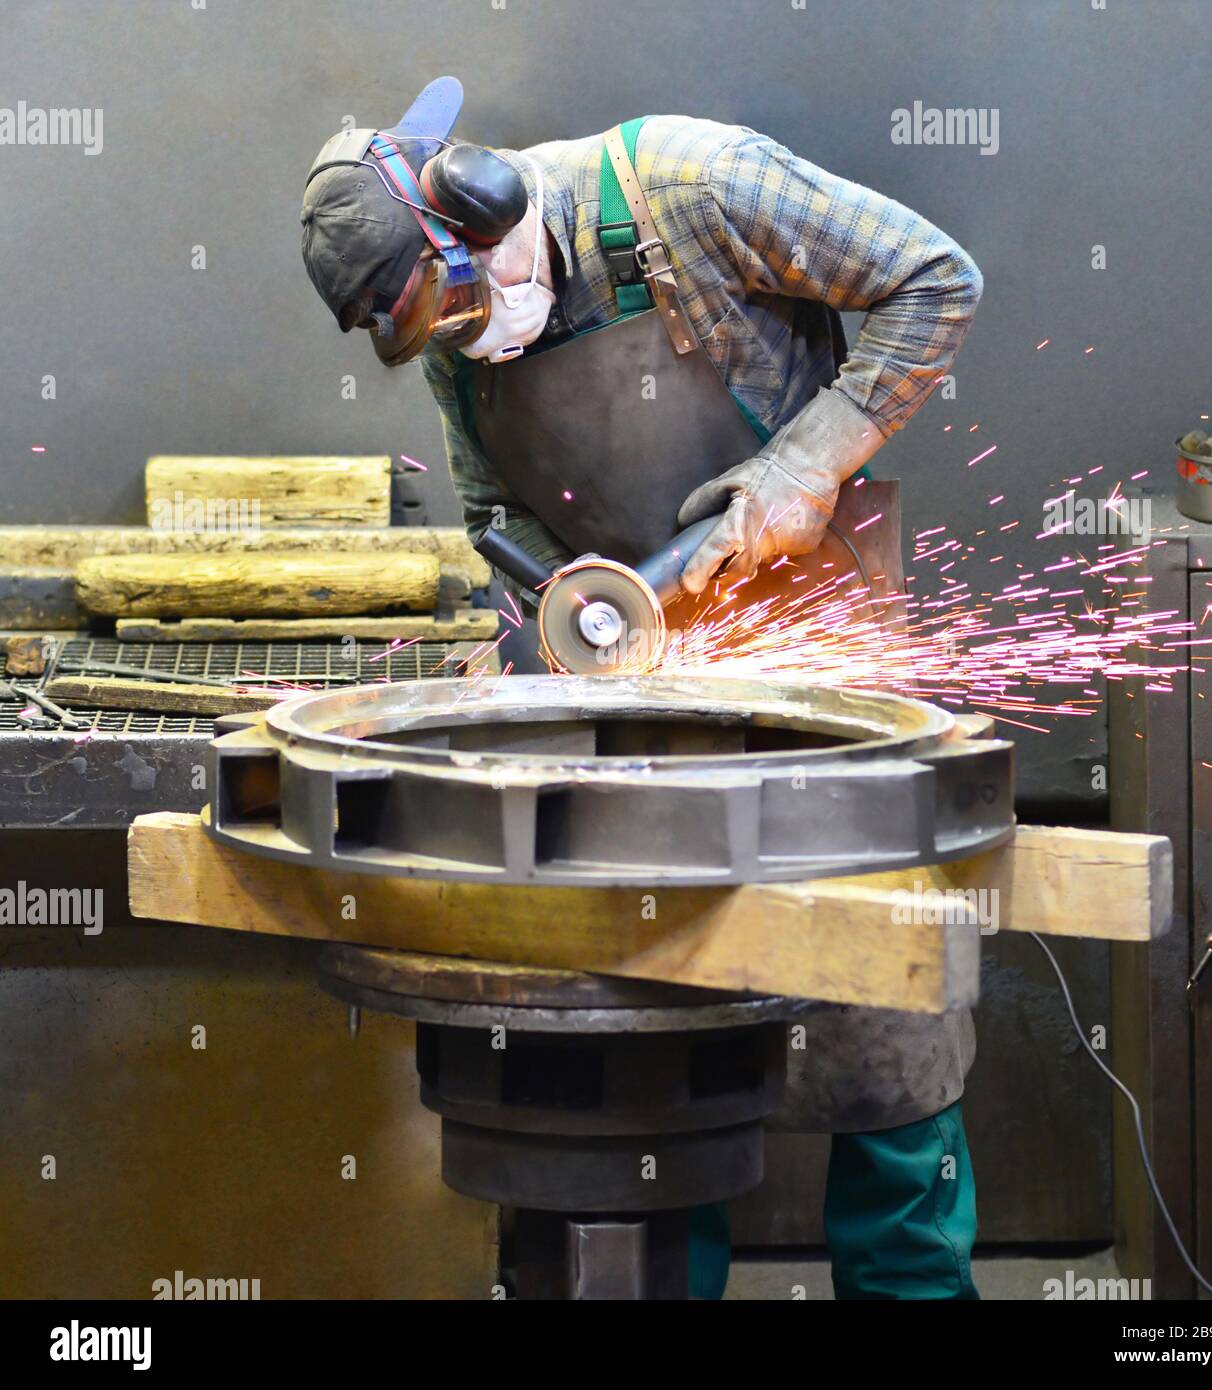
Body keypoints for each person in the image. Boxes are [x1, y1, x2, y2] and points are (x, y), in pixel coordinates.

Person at [301, 77, 982, 1300]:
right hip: (643, 712)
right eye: (435, 331)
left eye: (461, 300)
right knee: (644, 1068)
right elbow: (499, 509)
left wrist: (803, 468)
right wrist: (549, 621)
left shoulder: (688, 185)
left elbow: (936, 280)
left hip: (827, 677)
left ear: (481, 205)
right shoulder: (462, 339)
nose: (467, 339)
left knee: (888, 1045)